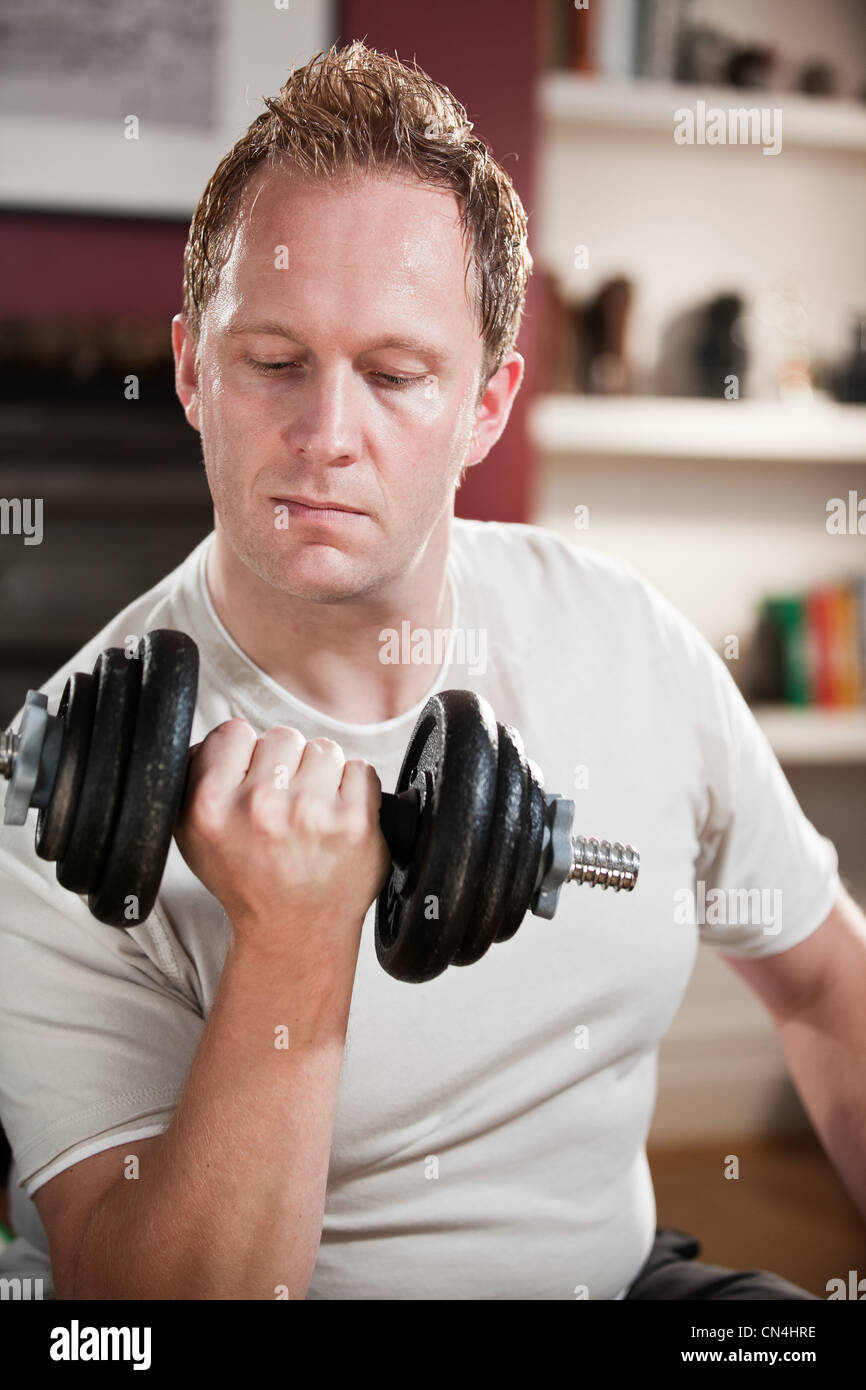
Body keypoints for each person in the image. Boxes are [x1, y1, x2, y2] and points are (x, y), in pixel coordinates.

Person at [0, 42, 863, 1302]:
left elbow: (827, 983)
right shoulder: (58, 797)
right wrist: (293, 946)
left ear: (488, 403)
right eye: (272, 362)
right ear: (192, 369)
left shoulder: (626, 639)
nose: (326, 437)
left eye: (395, 376)